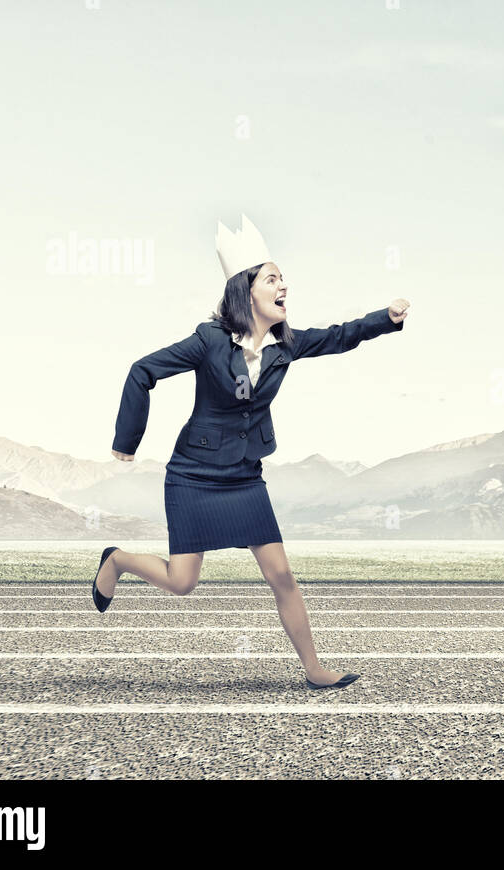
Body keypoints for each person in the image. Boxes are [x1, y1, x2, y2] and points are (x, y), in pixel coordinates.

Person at [92, 214, 409, 690]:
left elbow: (340, 335)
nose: (285, 286)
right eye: (273, 278)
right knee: (183, 582)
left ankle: (314, 670)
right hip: (194, 475)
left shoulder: (287, 345)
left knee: (282, 574)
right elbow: (143, 371)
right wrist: (126, 443)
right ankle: (116, 560)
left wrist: (385, 319)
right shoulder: (208, 340)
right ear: (247, 291)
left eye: (283, 279)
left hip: (244, 477)